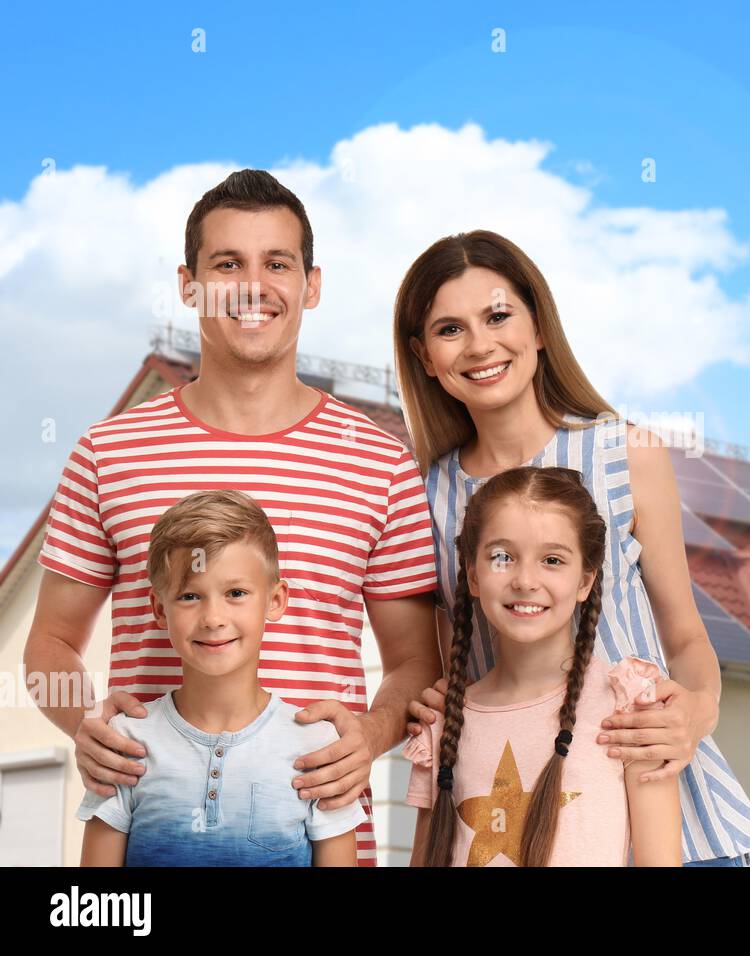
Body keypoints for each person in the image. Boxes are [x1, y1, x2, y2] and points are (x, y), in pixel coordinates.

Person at [24, 169, 441, 865]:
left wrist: (369, 737)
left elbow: (416, 662)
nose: (253, 285)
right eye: (227, 264)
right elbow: (48, 645)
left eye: (277, 263)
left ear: (310, 285)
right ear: (189, 285)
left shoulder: (380, 462)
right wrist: (86, 724)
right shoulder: (108, 452)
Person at [393, 229, 750, 865]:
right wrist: (427, 703)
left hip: (667, 812)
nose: (480, 344)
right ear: (424, 356)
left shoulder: (627, 454)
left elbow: (685, 638)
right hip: (522, 827)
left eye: (498, 316)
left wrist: (697, 711)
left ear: (539, 327)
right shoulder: (423, 495)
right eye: (450, 329)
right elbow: (449, 670)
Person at [404, 466, 680, 866]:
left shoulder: (628, 706)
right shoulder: (444, 721)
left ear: (585, 581)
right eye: (502, 557)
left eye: (552, 560)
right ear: (473, 575)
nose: (525, 580)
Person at [78, 490, 365, 866]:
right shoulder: (124, 743)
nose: (213, 618)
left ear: (275, 600)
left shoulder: (317, 746)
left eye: (236, 593)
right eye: (189, 596)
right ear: (159, 609)